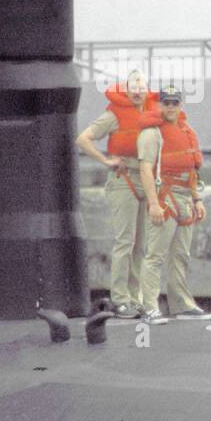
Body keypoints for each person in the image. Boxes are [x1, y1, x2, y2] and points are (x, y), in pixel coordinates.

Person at [74, 70, 158, 318]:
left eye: (142, 87)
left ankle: (136, 298)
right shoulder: (114, 114)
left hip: (146, 179)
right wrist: (106, 160)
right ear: (126, 89)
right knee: (125, 241)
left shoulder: (152, 112)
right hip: (124, 180)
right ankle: (121, 299)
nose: (138, 91)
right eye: (133, 87)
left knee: (141, 245)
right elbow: (83, 139)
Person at [136, 86, 211, 324]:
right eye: (166, 103)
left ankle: (182, 305)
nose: (170, 107)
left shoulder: (187, 131)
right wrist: (154, 203)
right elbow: (145, 169)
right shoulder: (152, 134)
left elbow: (191, 170)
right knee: (155, 255)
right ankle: (149, 306)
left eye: (174, 103)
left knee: (181, 254)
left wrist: (197, 199)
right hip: (165, 197)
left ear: (180, 105)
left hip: (185, 198)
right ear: (159, 105)